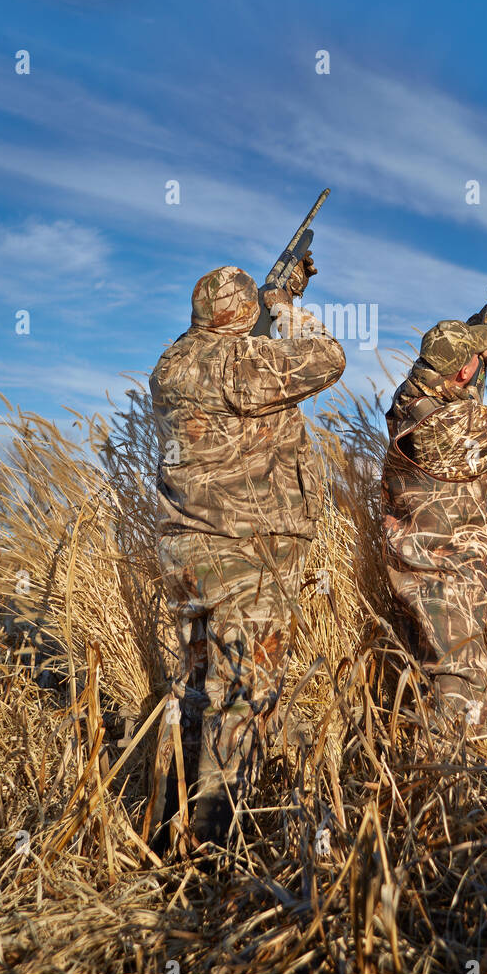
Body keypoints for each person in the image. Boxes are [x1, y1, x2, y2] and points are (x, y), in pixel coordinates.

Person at [147, 255, 345, 848]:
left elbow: (224, 351)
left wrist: (270, 296)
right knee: (244, 695)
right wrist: (286, 309)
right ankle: (212, 845)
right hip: (247, 556)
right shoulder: (243, 361)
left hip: (186, 551)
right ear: (245, 315)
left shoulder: (172, 362)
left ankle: (166, 832)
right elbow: (329, 357)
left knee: (195, 687)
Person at [380, 281, 487, 732]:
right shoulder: (453, 423)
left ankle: (412, 776)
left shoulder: (413, 395)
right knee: (459, 690)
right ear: (464, 374)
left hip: (411, 567)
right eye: (473, 363)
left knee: (423, 683)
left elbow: (457, 360)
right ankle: (451, 790)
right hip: (449, 579)